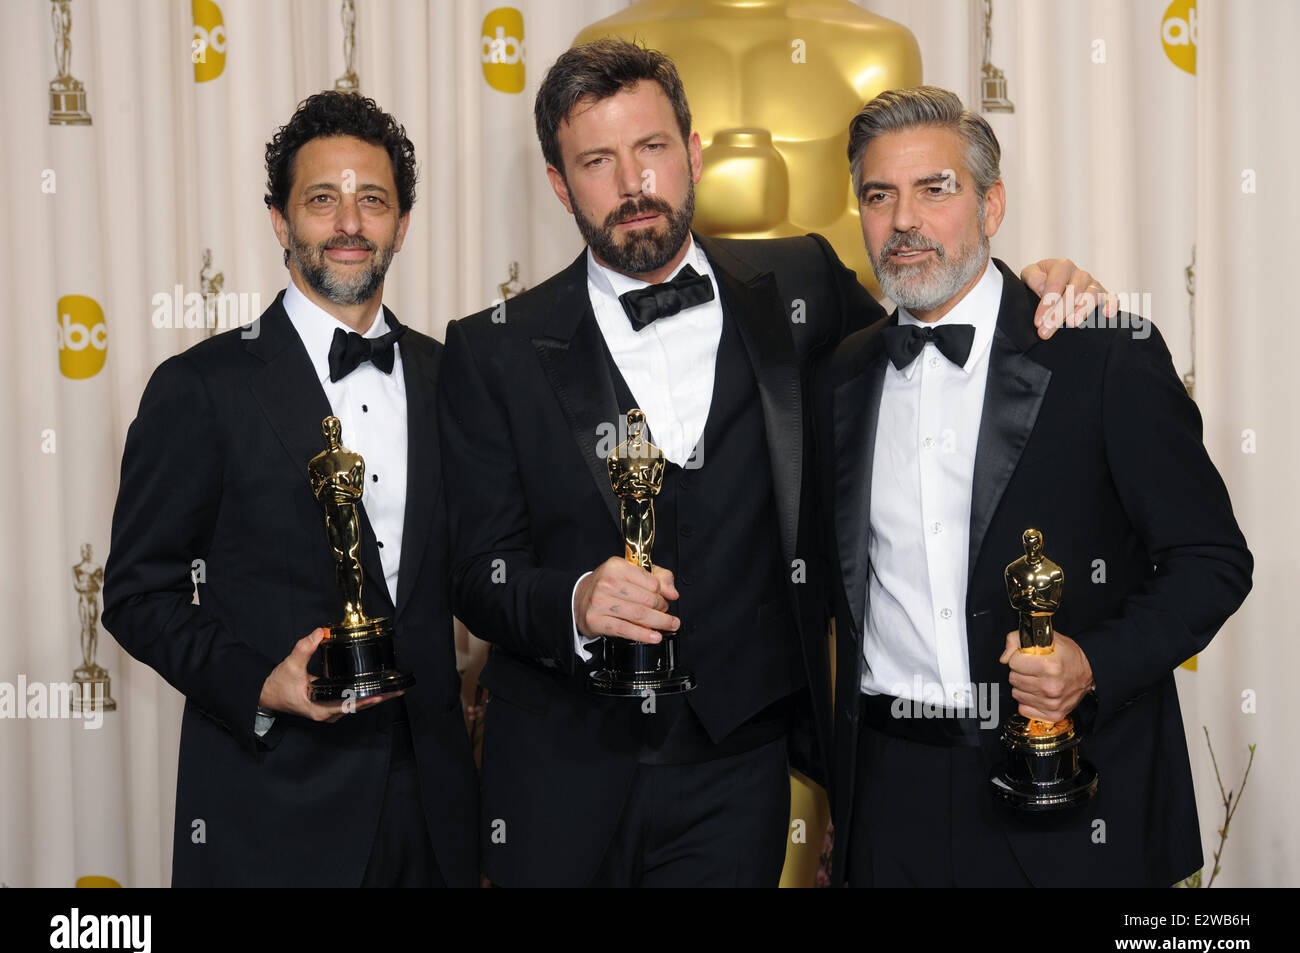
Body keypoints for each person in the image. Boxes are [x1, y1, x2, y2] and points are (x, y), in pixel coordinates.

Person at [438, 39, 1101, 887]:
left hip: (740, 770)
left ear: (694, 154)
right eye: (597, 162)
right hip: (557, 775)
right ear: (560, 185)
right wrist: (572, 600)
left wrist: (1039, 286)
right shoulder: (490, 349)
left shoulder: (803, 285)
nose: (633, 184)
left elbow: (934, 347)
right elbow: (474, 573)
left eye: (652, 149)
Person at [815, 85, 1253, 887]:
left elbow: (1212, 559)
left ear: (993, 205)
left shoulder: (1101, 352)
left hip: (1073, 796)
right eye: (879, 196)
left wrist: (1093, 662)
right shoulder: (841, 374)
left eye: (935, 188)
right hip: (889, 800)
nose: (904, 219)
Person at [102, 91, 477, 887]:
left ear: (402, 225)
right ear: (280, 221)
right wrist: (259, 683)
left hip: (436, 817)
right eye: (322, 199)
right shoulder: (200, 387)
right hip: (267, 812)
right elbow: (138, 593)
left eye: (372, 200)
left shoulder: (458, 380)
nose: (349, 222)